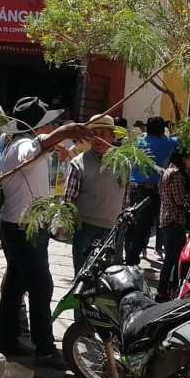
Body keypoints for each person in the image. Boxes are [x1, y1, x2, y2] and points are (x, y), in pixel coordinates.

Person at [0, 97, 92, 368]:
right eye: (48, 124)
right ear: (39, 126)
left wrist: (64, 139)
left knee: (15, 283)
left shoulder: (21, 145)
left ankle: (7, 338)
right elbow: (39, 146)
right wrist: (67, 131)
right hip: (23, 227)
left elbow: (47, 148)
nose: (51, 127)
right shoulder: (24, 145)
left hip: (22, 225)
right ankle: (45, 348)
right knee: (41, 286)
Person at [63, 115, 125, 278]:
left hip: (114, 230)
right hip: (86, 230)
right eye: (94, 133)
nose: (99, 138)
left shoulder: (123, 162)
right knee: (84, 277)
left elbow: (125, 197)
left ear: (113, 136)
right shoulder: (78, 164)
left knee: (112, 279)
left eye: (104, 133)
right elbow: (69, 201)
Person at [125, 117, 177, 266]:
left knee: (131, 224)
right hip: (151, 191)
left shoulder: (137, 141)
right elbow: (182, 140)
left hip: (133, 187)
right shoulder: (167, 143)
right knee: (143, 227)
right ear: (162, 130)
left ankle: (128, 256)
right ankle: (131, 261)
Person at [157, 145, 190, 300]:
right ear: (184, 159)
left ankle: (165, 290)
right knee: (173, 258)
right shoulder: (176, 175)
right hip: (174, 219)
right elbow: (180, 200)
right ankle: (167, 290)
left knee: (171, 258)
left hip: (167, 218)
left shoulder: (167, 172)